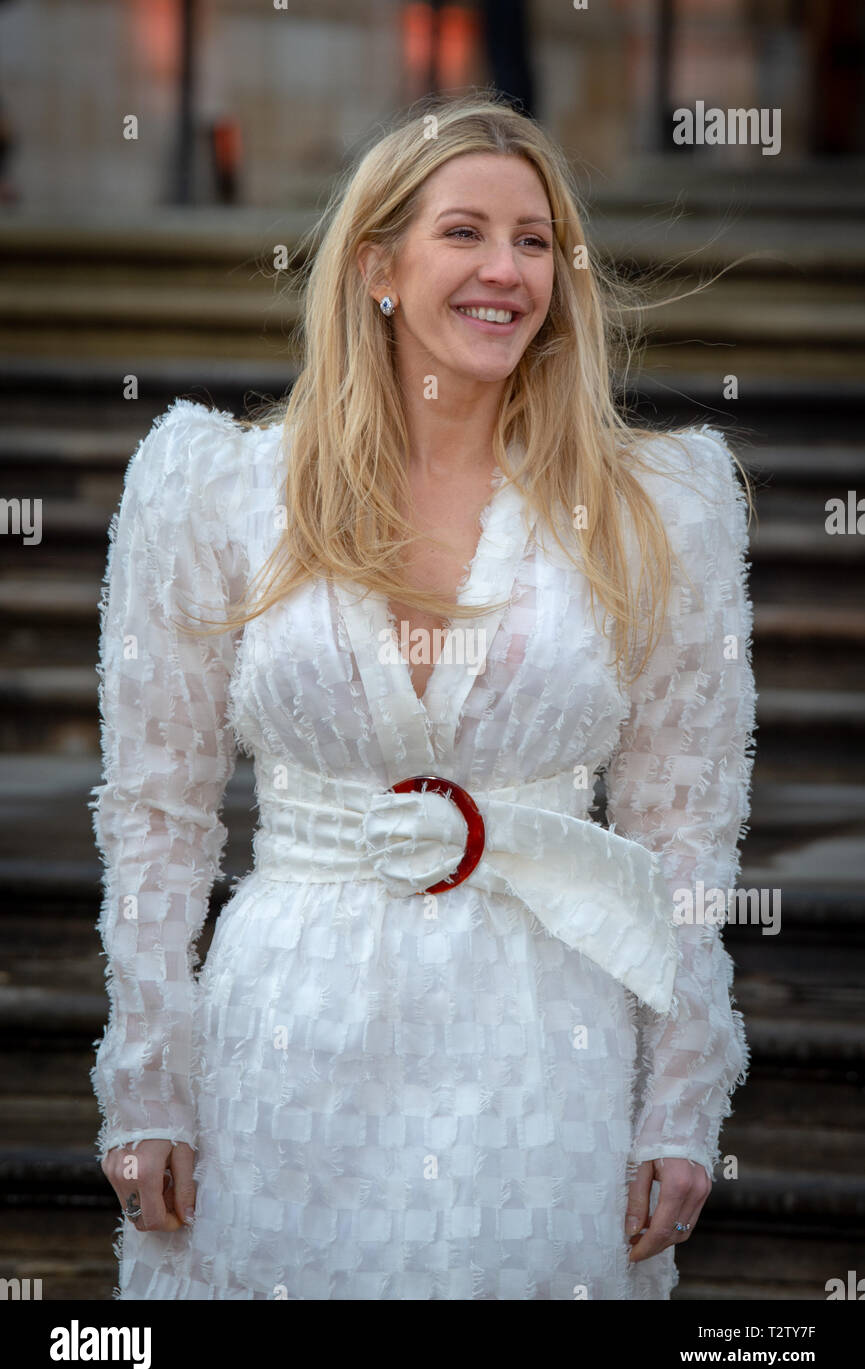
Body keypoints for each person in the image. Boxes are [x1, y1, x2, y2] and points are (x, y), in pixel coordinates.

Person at [91, 93, 756, 1300]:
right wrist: (147, 1080)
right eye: (465, 232)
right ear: (376, 267)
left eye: (535, 241)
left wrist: (680, 1098)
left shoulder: (655, 506)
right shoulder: (219, 490)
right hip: (284, 1043)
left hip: (541, 1042)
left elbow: (684, 829)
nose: (507, 269)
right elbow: (156, 810)